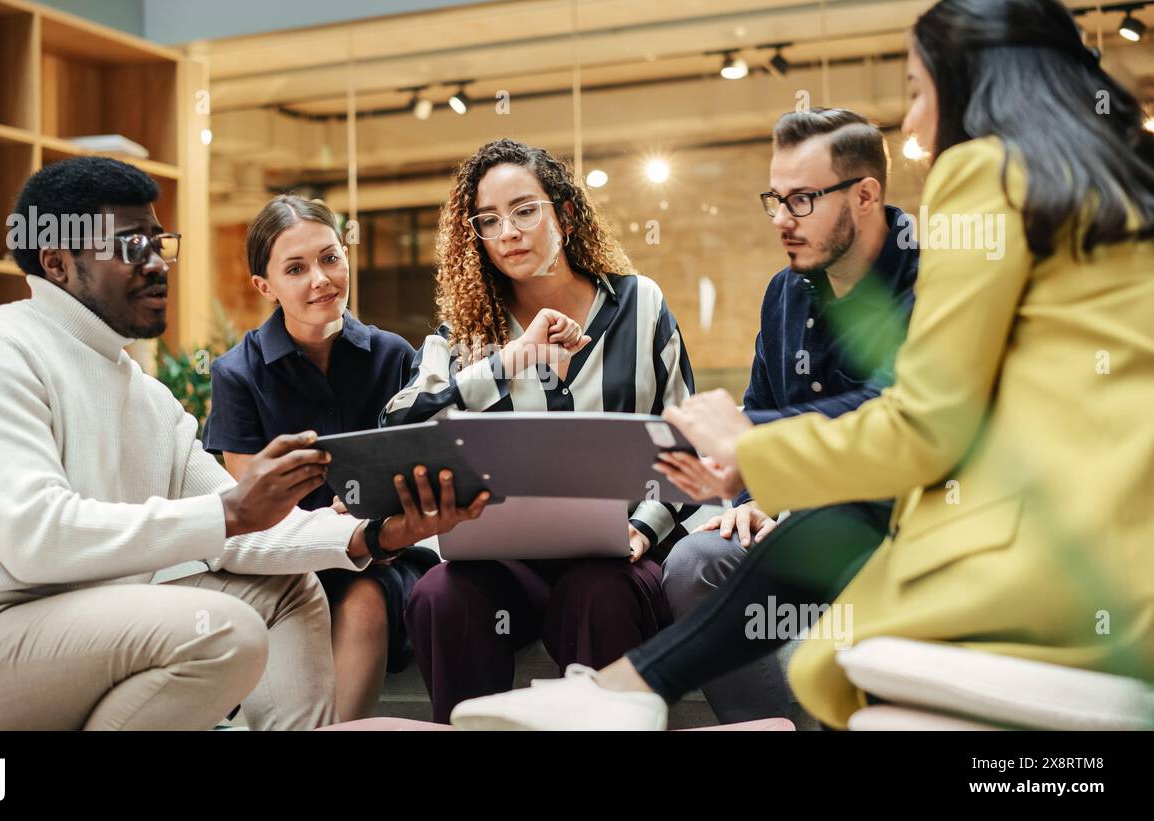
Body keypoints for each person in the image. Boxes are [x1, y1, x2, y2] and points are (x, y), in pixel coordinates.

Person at [447, 0, 1154, 731]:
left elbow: (926, 421)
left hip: (1049, 561)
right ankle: (633, 689)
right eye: (775, 199)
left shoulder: (985, 176)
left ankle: (629, 689)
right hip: (1123, 562)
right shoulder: (1118, 190)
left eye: (916, 90)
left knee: (843, 526)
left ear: (968, 80)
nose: (910, 124)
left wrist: (747, 442)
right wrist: (751, 472)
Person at [0, 156, 487, 731]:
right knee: (220, 632)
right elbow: (36, 538)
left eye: (158, 242)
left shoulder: (145, 396)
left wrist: (371, 537)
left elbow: (245, 527)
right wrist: (230, 512)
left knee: (287, 587)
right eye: (131, 245)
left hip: (71, 631)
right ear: (55, 262)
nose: (157, 262)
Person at [383, 138, 697, 723]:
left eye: (525, 210)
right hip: (504, 567)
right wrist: (509, 360)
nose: (508, 231)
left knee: (597, 594)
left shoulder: (641, 305)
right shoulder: (466, 334)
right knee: (437, 597)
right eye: (489, 220)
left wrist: (641, 530)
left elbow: (687, 446)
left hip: (617, 560)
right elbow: (400, 424)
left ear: (566, 214)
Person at [663, 107, 917, 726]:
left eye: (801, 200)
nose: (781, 219)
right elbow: (762, 405)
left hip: (907, 528)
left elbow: (897, 419)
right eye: (775, 199)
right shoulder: (785, 290)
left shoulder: (933, 283)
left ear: (865, 195)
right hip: (801, 524)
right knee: (695, 563)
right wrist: (754, 498)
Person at [204, 194, 437, 721]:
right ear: (265, 286)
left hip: (383, 556)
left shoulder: (394, 356)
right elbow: (251, 513)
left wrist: (371, 527)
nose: (321, 279)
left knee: (366, 594)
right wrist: (325, 528)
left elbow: (417, 471)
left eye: (330, 257)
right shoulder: (237, 374)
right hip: (286, 563)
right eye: (296, 268)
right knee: (315, 593)